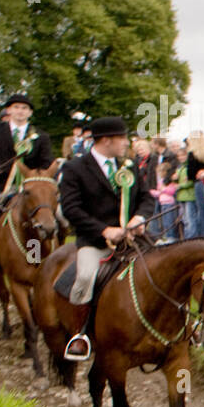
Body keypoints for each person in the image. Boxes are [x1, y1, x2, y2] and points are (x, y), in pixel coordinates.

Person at [58, 116, 154, 360]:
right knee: (86, 276)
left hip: (133, 239)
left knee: (169, 264)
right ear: (106, 140)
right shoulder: (75, 168)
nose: (127, 143)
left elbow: (146, 198)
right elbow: (71, 209)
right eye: (122, 138)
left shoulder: (128, 166)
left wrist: (139, 219)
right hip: (95, 242)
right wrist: (104, 230)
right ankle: (80, 335)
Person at [0, 94, 53, 211]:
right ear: (9, 110)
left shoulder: (41, 136)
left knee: (58, 216)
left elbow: (46, 163)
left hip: (31, 189)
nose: (20, 111)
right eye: (16, 107)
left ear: (30, 113)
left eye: (24, 108)